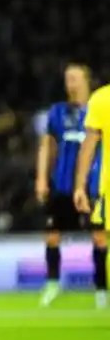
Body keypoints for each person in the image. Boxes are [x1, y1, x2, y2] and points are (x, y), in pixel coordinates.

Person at [36, 63, 106, 308]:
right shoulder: (56, 112)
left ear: (87, 81)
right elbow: (47, 146)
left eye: (75, 78)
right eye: (67, 79)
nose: (71, 84)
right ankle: (53, 284)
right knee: (53, 235)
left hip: (94, 183)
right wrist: (42, 178)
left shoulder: (99, 108)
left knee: (99, 237)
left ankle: (101, 289)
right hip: (63, 183)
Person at [74, 81, 110, 308]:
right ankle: (101, 290)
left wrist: (79, 185)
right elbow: (90, 143)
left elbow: (89, 143)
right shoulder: (101, 99)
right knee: (101, 239)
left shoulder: (102, 98)